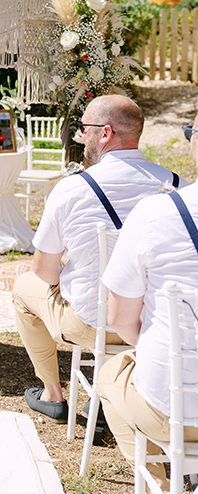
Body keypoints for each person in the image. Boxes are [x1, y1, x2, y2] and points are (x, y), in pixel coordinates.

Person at [12, 94, 186, 424]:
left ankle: (52, 392)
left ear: (105, 133)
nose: (80, 135)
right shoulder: (178, 188)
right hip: (158, 324)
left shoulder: (72, 189)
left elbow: (45, 273)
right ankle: (114, 388)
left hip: (93, 323)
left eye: (83, 128)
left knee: (24, 287)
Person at [97, 115, 198, 494]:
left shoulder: (159, 213)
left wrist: (160, 348)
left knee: (107, 377)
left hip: (176, 412)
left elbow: (121, 319)